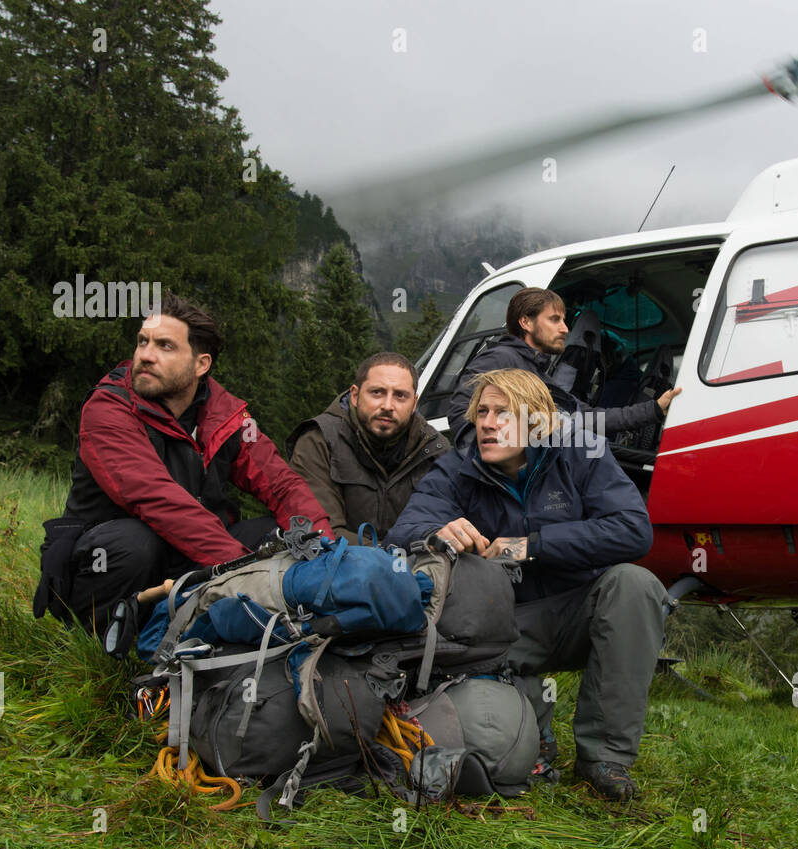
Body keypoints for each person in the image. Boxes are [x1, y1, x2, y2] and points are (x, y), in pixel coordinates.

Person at [389, 368, 668, 800]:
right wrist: (437, 532)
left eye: (504, 412)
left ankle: (604, 759)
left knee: (636, 585)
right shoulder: (457, 468)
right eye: (482, 412)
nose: (487, 422)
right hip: (500, 629)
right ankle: (535, 733)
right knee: (512, 745)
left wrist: (529, 546)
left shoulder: (582, 452)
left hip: (578, 611)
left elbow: (634, 530)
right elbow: (402, 530)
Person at [33, 293, 333, 639]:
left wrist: (323, 551)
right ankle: (99, 645)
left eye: (164, 346)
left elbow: (282, 484)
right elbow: (157, 498)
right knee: (135, 544)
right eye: (142, 342)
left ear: (200, 364)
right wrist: (241, 570)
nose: (145, 355)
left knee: (275, 535)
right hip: (109, 561)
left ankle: (223, 634)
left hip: (187, 553)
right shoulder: (109, 409)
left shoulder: (225, 414)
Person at [445, 287, 681, 439]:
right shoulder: (502, 358)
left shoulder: (540, 374)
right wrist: (494, 465)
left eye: (564, 321)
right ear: (526, 322)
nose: (565, 329)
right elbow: (460, 412)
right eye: (555, 320)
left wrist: (653, 409)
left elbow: (589, 417)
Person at [286, 352, 448, 545]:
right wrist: (386, 558)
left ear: (414, 403)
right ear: (355, 395)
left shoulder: (435, 451)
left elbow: (445, 528)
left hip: (417, 569)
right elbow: (321, 534)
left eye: (400, 396)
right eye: (377, 392)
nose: (388, 405)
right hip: (337, 568)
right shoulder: (320, 441)